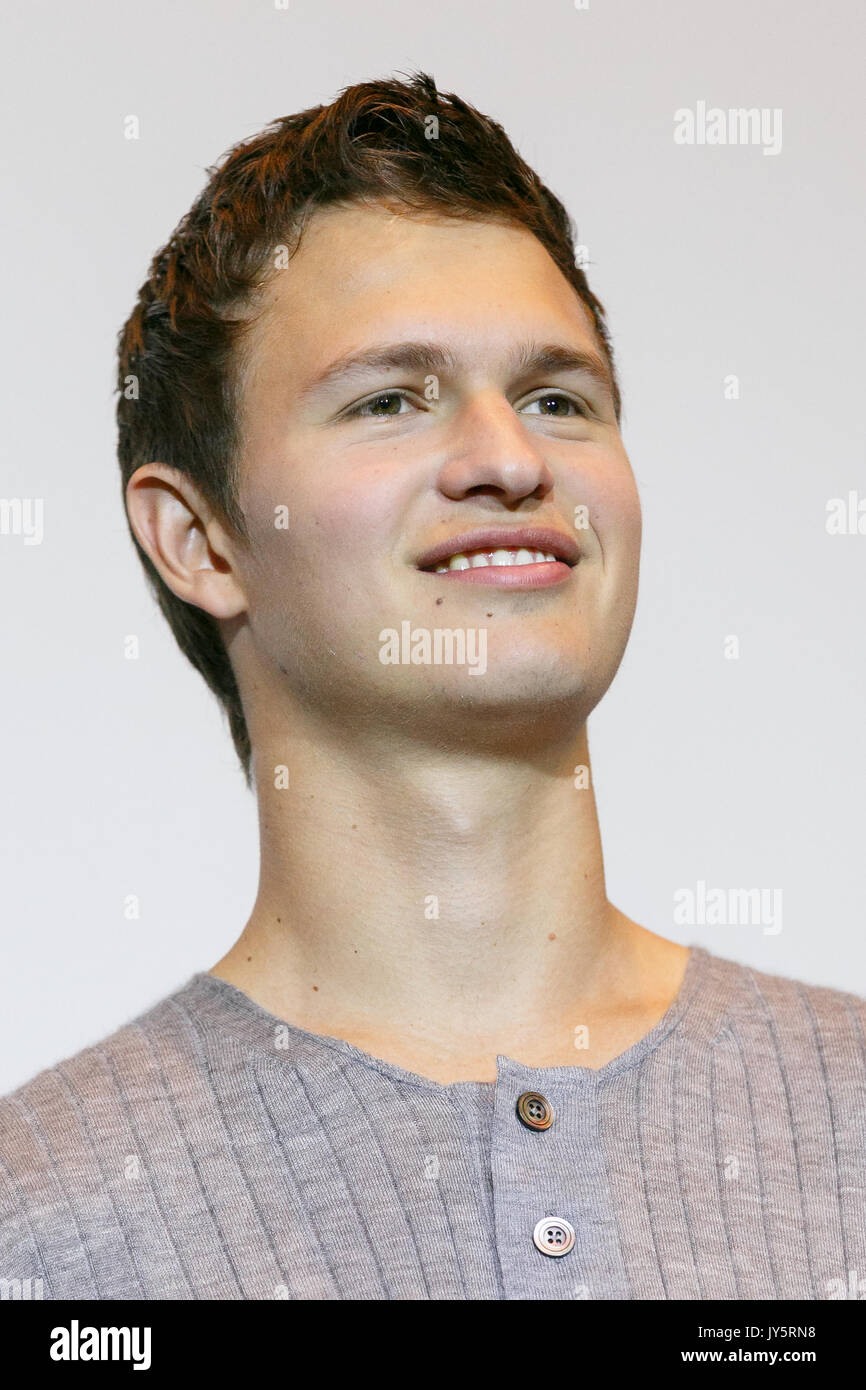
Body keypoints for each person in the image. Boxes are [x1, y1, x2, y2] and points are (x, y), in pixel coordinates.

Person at [1, 72, 864, 1302]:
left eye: (555, 397)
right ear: (201, 541)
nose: (510, 459)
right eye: (390, 398)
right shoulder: (40, 1226)